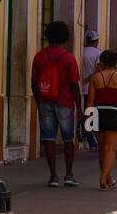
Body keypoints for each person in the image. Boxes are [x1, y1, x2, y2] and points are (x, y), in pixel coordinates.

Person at [32, 21, 83, 187]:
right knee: (68, 139)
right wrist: (79, 107)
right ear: (65, 37)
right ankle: (69, 174)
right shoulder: (68, 58)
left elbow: (34, 83)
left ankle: (53, 176)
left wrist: (38, 101)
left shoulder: (39, 57)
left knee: (49, 139)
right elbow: (75, 84)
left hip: (45, 100)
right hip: (65, 102)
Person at [88, 50, 117, 190]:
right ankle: (103, 178)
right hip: (114, 113)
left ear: (102, 62)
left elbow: (90, 101)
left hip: (98, 113)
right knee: (110, 149)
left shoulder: (95, 78)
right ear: (115, 62)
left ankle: (108, 179)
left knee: (102, 149)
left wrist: (88, 117)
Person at [80, 30, 101, 149]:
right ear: (96, 41)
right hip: (92, 88)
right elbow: (99, 70)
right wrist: (87, 80)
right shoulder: (98, 53)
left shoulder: (80, 51)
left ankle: (84, 135)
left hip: (80, 87)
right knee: (93, 114)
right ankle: (92, 140)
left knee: (84, 112)